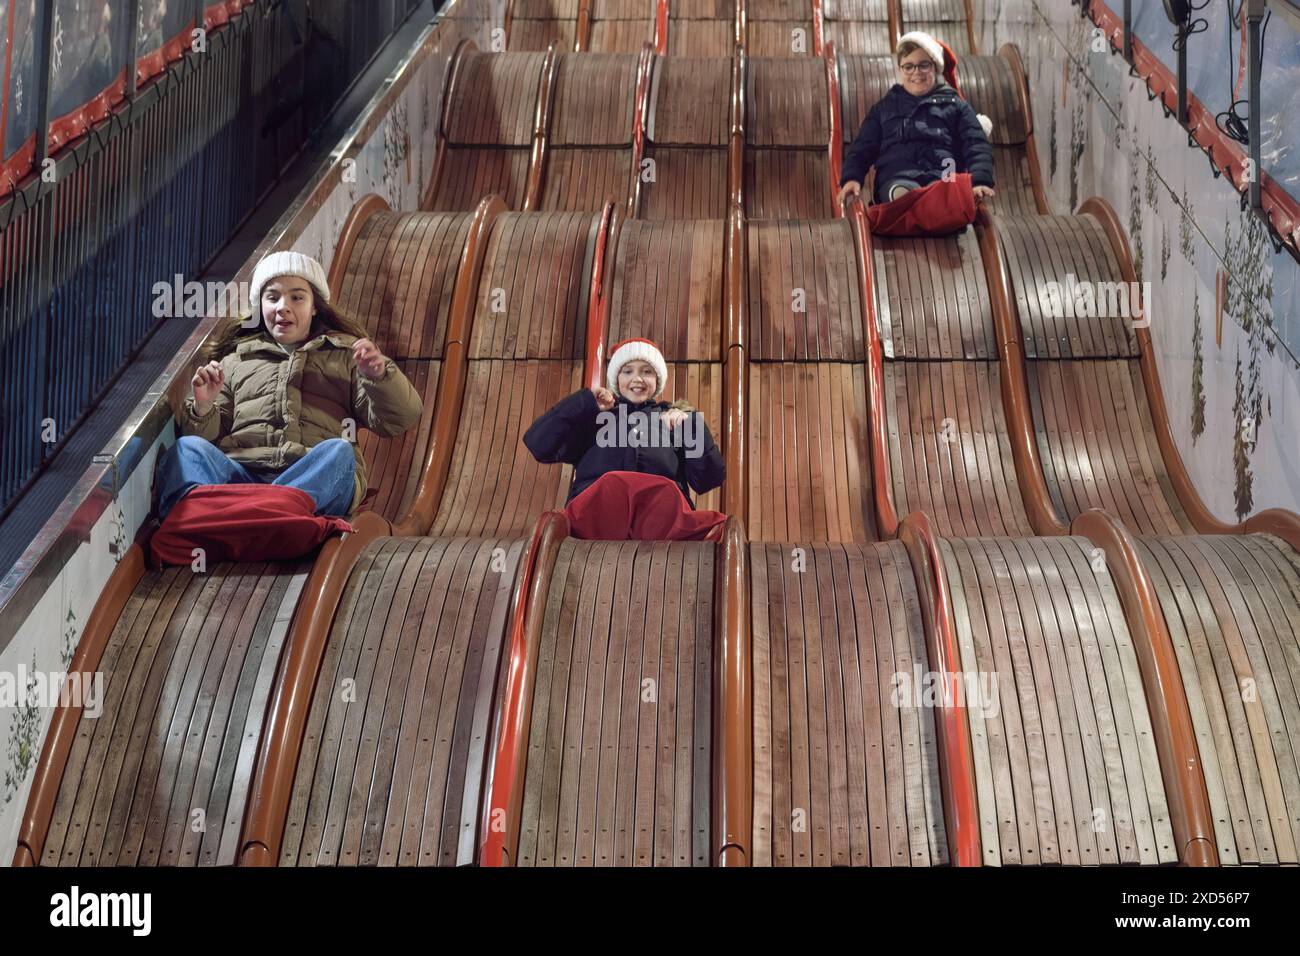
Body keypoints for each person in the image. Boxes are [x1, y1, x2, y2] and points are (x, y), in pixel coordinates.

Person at [155, 251, 423, 519]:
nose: (283, 307)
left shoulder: (345, 357)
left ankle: (250, 513)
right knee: (187, 449)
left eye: (297, 297)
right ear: (260, 305)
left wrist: (379, 377)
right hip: (243, 479)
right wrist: (204, 407)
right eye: (272, 297)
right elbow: (207, 441)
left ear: (315, 306)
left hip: (308, 480)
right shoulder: (234, 362)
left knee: (340, 453)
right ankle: (263, 513)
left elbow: (399, 420)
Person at [523, 338, 727, 541]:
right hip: (596, 521)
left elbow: (710, 479)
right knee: (611, 483)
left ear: (657, 380)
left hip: (660, 523)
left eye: (646, 371)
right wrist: (583, 403)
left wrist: (690, 427)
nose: (637, 379)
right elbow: (538, 444)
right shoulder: (593, 417)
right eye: (627, 371)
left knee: (666, 492)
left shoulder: (674, 419)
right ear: (617, 379)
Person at [836, 31, 995, 207]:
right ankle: (915, 202)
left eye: (923, 65)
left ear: (935, 67)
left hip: (943, 178)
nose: (916, 72)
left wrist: (980, 180)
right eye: (908, 66)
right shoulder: (884, 108)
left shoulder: (955, 105)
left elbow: (976, 144)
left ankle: (934, 202)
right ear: (900, 70)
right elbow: (862, 148)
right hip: (898, 179)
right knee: (899, 190)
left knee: (947, 188)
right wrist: (851, 178)